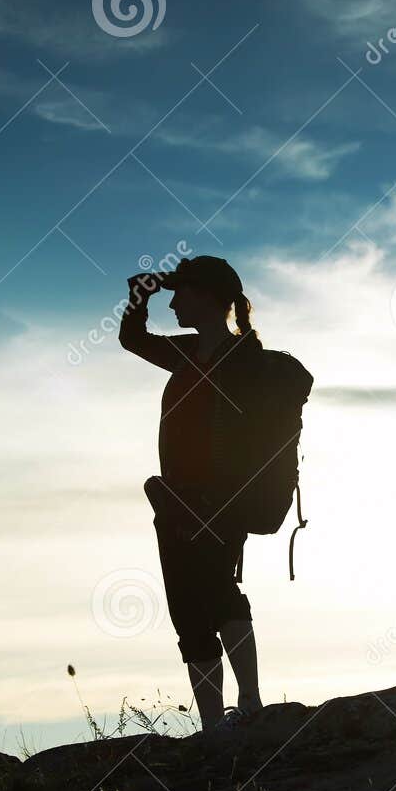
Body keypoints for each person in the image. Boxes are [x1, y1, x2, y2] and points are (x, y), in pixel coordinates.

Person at [119, 256, 265, 733]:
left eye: (182, 294)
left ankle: (250, 703)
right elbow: (132, 339)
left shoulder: (247, 360)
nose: (175, 302)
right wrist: (142, 295)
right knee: (186, 606)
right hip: (175, 501)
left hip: (221, 499)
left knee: (219, 592)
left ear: (207, 296)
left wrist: (232, 495)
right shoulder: (184, 354)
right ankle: (212, 727)